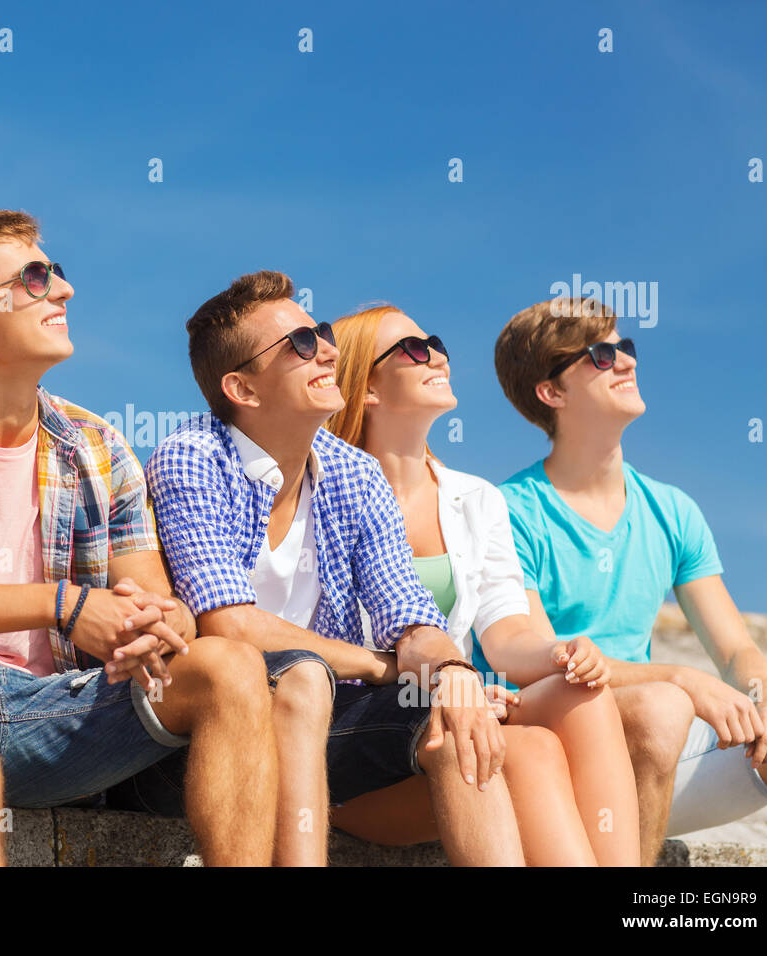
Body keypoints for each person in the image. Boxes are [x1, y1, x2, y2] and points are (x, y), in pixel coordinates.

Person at [0, 210, 304, 866]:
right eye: (35, 277)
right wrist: (66, 605)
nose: (63, 290)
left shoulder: (98, 443)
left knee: (231, 665)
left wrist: (157, 622)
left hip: (59, 713)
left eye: (57, 274)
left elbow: (156, 593)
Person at [113, 270, 544, 865]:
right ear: (242, 388)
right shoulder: (191, 458)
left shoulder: (356, 474)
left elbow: (409, 613)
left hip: (322, 722)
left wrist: (450, 670)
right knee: (305, 677)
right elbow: (231, 627)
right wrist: (378, 666)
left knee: (452, 719)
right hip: (198, 744)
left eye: (319, 333)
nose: (327, 350)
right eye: (299, 345)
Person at [493, 295, 767, 864]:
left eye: (626, 347)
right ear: (551, 392)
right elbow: (546, 660)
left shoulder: (673, 510)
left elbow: (735, 647)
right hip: (562, 752)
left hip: (657, 757)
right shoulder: (509, 512)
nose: (626, 361)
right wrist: (684, 680)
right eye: (600, 354)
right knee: (662, 705)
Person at [323, 303, 639, 865]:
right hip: (365, 744)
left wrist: (558, 650)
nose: (438, 355)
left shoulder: (477, 498)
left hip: (455, 711)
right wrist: (443, 686)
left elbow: (506, 632)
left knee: (579, 690)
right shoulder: (320, 491)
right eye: (414, 350)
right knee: (529, 751)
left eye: (437, 342)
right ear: (366, 388)